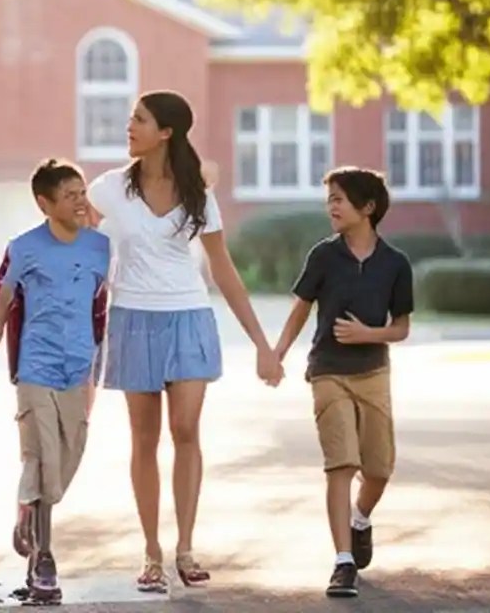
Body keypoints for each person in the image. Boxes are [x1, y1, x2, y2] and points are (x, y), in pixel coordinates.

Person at [85, 90, 284, 593]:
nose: (129, 125)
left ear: (166, 131)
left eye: (139, 119)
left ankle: (185, 547)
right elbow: (73, 236)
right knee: (145, 438)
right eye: (131, 116)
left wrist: (262, 344)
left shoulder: (199, 194)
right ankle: (151, 551)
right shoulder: (108, 189)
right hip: (133, 319)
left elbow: (224, 269)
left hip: (189, 316)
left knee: (186, 428)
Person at [0, 159, 111, 605]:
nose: (81, 202)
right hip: (35, 368)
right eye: (70, 195)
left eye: (82, 192)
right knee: (44, 456)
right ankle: (44, 559)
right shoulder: (23, 248)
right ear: (45, 203)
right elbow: (3, 311)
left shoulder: (101, 248)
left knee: (69, 455)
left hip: (78, 371)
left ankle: (26, 513)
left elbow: (107, 312)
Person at [272, 165, 413, 599]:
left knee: (378, 469)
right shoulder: (323, 256)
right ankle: (343, 562)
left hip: (374, 374)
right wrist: (276, 354)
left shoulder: (395, 264)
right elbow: (299, 310)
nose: (330, 206)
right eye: (328, 198)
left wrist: (369, 334)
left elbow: (402, 327)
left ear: (367, 207)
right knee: (342, 463)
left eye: (339, 198)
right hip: (328, 371)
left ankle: (360, 519)